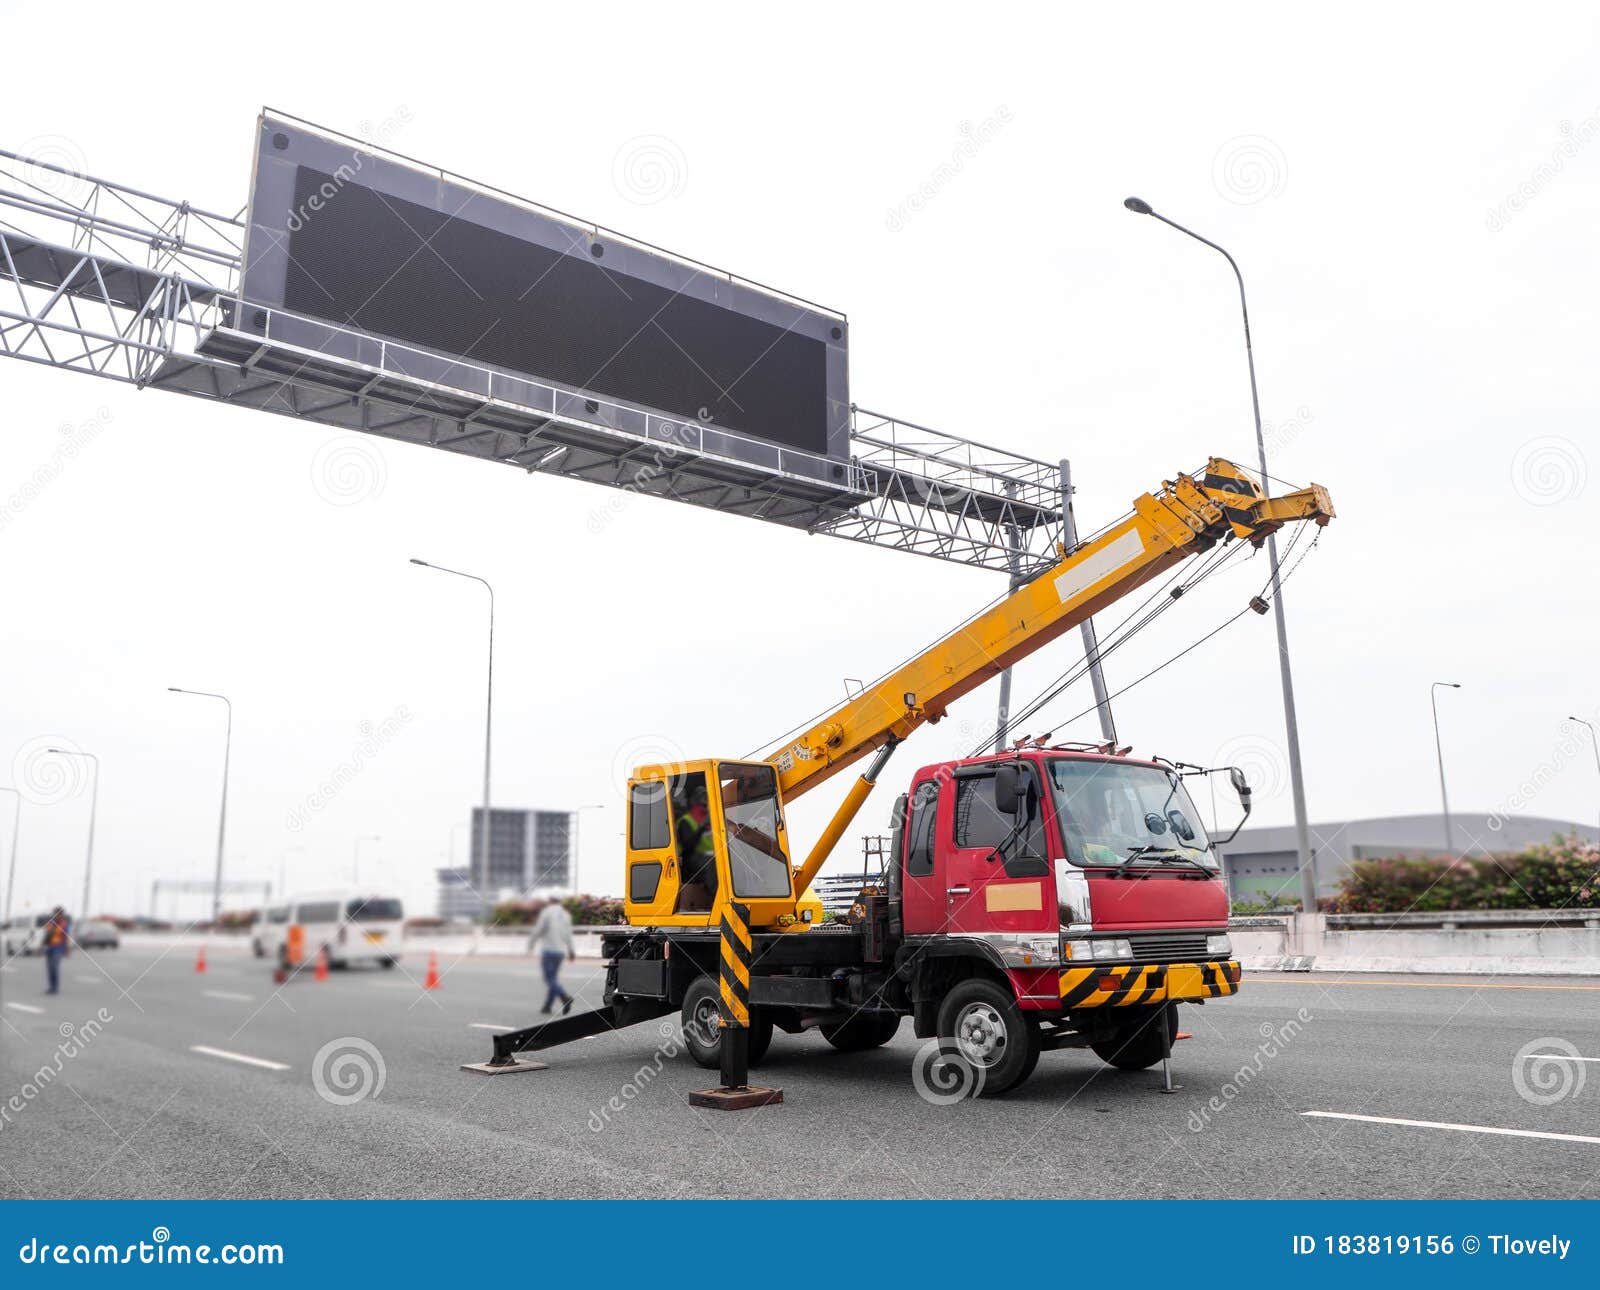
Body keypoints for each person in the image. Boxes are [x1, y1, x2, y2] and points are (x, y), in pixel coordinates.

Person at [526, 897, 576, 1015]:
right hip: (560, 952)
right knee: (553, 979)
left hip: (549, 951)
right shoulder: (565, 915)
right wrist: (571, 950)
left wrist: (531, 944)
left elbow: (539, 929)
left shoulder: (547, 912)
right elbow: (568, 935)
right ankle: (547, 1006)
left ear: (550, 901)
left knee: (549, 979)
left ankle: (564, 997)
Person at [676, 784, 717, 906]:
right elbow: (688, 846)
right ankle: (717, 898)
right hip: (688, 860)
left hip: (709, 856)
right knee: (712, 863)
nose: (705, 807)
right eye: (703, 803)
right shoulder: (686, 821)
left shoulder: (713, 819)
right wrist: (702, 827)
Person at [42, 907, 69, 995]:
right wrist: (41, 946)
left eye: (57, 913)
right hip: (49, 947)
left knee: (54, 967)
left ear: (61, 914)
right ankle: (51, 987)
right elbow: (46, 935)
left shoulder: (64, 924)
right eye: (54, 913)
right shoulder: (50, 923)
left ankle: (55, 988)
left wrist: (66, 949)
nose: (55, 915)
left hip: (58, 948)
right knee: (49, 968)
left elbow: (66, 938)